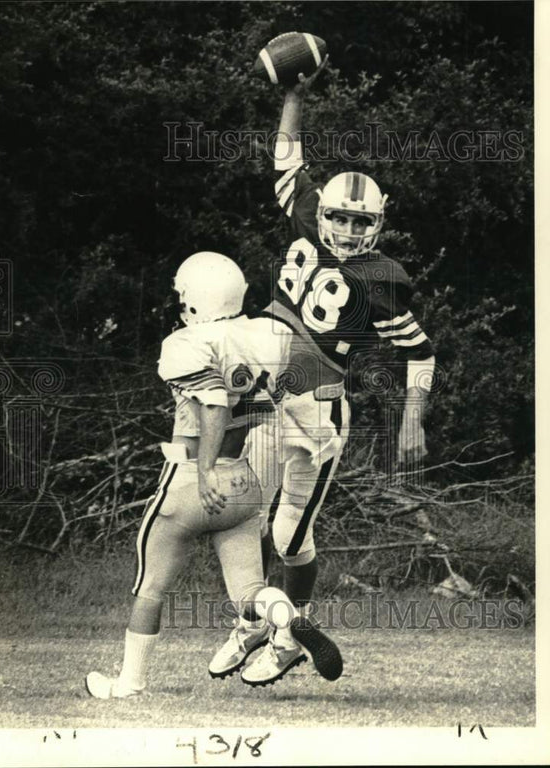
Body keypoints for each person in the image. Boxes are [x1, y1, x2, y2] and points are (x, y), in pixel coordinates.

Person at [209, 61, 436, 683]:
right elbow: (286, 159)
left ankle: (288, 631)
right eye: (339, 217)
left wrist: (411, 422)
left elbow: (421, 350)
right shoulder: (307, 216)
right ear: (324, 212)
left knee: (287, 538)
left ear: (379, 225)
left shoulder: (384, 280)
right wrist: (291, 96)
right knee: (237, 514)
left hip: (320, 411)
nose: (346, 228)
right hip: (268, 392)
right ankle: (259, 622)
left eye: (361, 222)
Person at [85, 251, 343, 697]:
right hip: (243, 482)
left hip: (191, 483)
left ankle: (130, 683)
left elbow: (215, 402)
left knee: (150, 589)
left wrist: (203, 471)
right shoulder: (266, 335)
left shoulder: (186, 344)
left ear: (192, 298)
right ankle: (288, 620)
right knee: (249, 591)